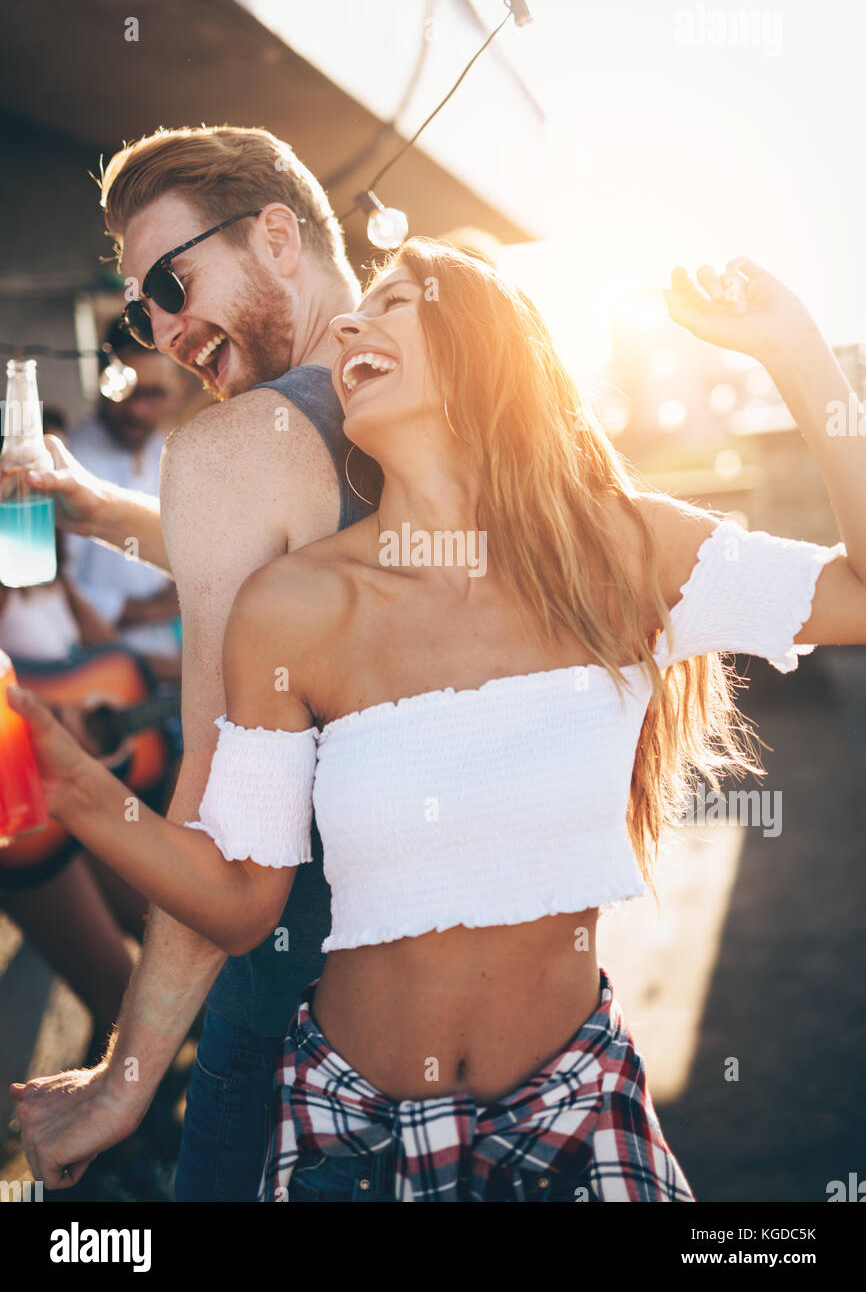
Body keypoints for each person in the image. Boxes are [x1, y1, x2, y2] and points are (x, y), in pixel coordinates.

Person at [10, 241, 864, 1200]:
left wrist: (793, 349)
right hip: (350, 1139)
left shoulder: (624, 551)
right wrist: (72, 783)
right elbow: (245, 898)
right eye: (358, 307)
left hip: (576, 1113)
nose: (347, 324)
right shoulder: (295, 606)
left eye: (400, 300)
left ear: (485, 346)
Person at [8, 124, 380, 1199]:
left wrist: (124, 1079)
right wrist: (100, 511)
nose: (162, 331)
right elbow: (316, 567)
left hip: (290, 1034)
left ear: (276, 235)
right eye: (141, 311)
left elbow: (220, 797)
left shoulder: (229, 447)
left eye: (172, 282)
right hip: (507, 1048)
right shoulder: (426, 413)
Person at [64, 320, 184, 680]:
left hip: (174, 655)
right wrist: (156, 608)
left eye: (154, 394)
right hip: (98, 673)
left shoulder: (171, 452)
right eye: (128, 392)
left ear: (175, 391)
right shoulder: (71, 461)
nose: (138, 410)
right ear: (103, 382)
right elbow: (59, 588)